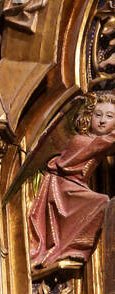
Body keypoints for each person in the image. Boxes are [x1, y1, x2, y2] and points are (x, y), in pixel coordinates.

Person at [27, 91, 115, 270]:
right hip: (60, 186)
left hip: (73, 186)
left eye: (109, 116)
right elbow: (105, 143)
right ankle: (70, 248)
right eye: (98, 115)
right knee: (101, 201)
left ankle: (70, 247)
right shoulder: (81, 140)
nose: (102, 120)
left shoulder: (99, 141)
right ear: (89, 116)